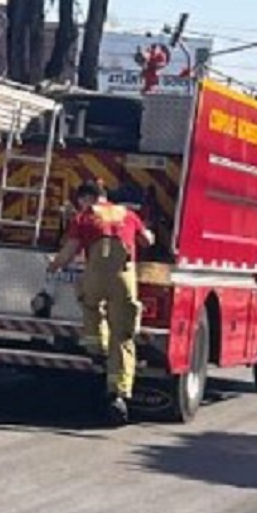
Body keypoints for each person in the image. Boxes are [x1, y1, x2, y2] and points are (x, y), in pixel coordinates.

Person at [48, 181, 155, 426]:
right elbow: (147, 241)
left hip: (95, 276)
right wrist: (149, 232)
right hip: (124, 279)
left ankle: (98, 350)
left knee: (90, 305)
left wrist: (53, 265)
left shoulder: (84, 217)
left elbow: (70, 252)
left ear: (86, 199)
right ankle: (118, 392)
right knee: (124, 336)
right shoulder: (128, 214)